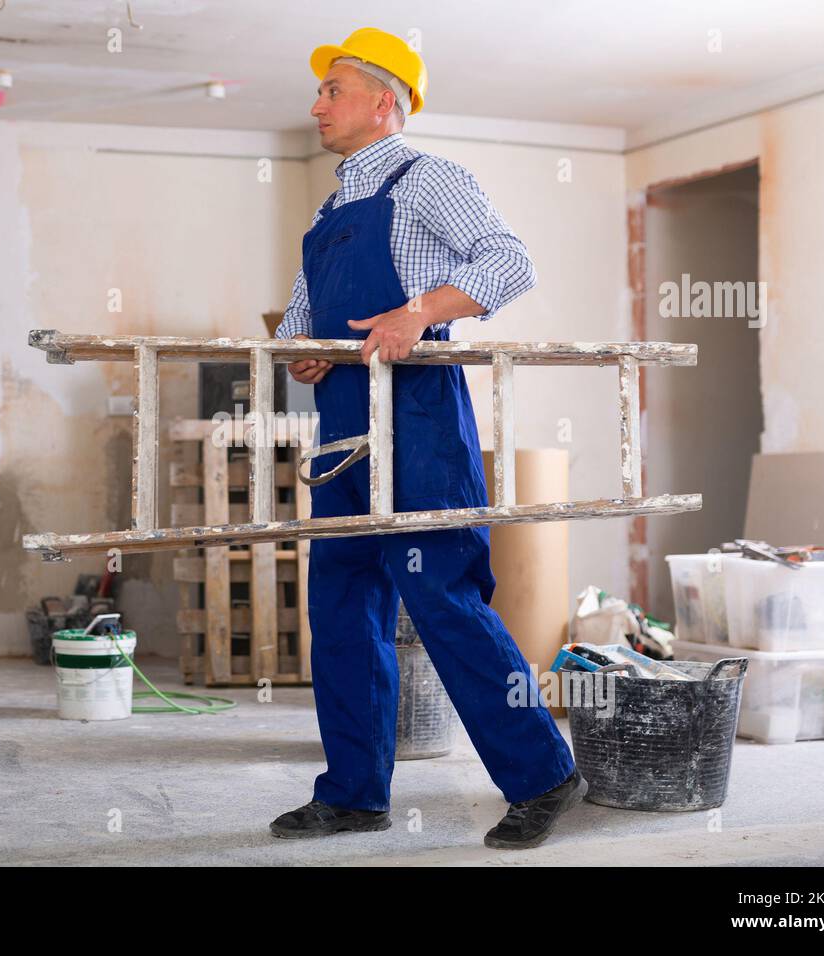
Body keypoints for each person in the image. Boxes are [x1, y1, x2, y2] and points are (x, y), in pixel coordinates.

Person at [269, 27, 584, 850]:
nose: (317, 105)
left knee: (440, 596)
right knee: (339, 607)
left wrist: (421, 312)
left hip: (416, 417)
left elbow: (510, 262)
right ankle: (353, 793)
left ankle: (544, 775)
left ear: (383, 102)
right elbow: (302, 309)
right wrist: (302, 349)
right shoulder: (331, 206)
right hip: (340, 424)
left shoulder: (430, 179)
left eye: (331, 91)